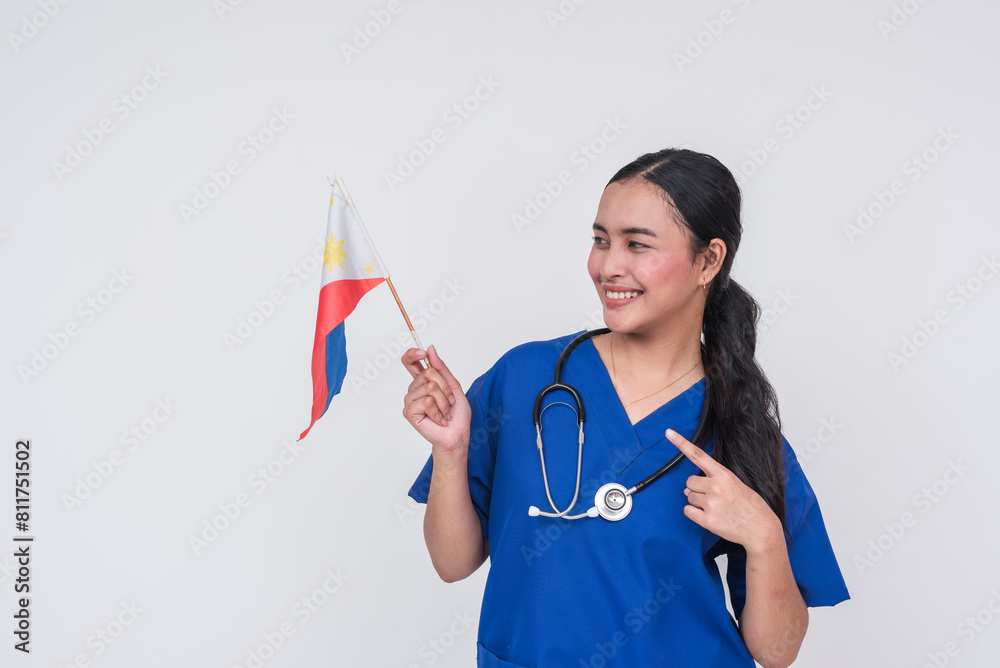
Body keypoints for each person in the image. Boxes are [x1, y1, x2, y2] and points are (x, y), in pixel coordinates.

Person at [400, 148, 850, 667]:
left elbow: (777, 652)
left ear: (708, 260)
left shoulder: (736, 424)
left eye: (637, 244)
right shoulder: (524, 379)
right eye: (600, 240)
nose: (608, 266)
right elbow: (453, 563)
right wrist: (453, 452)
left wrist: (766, 538)